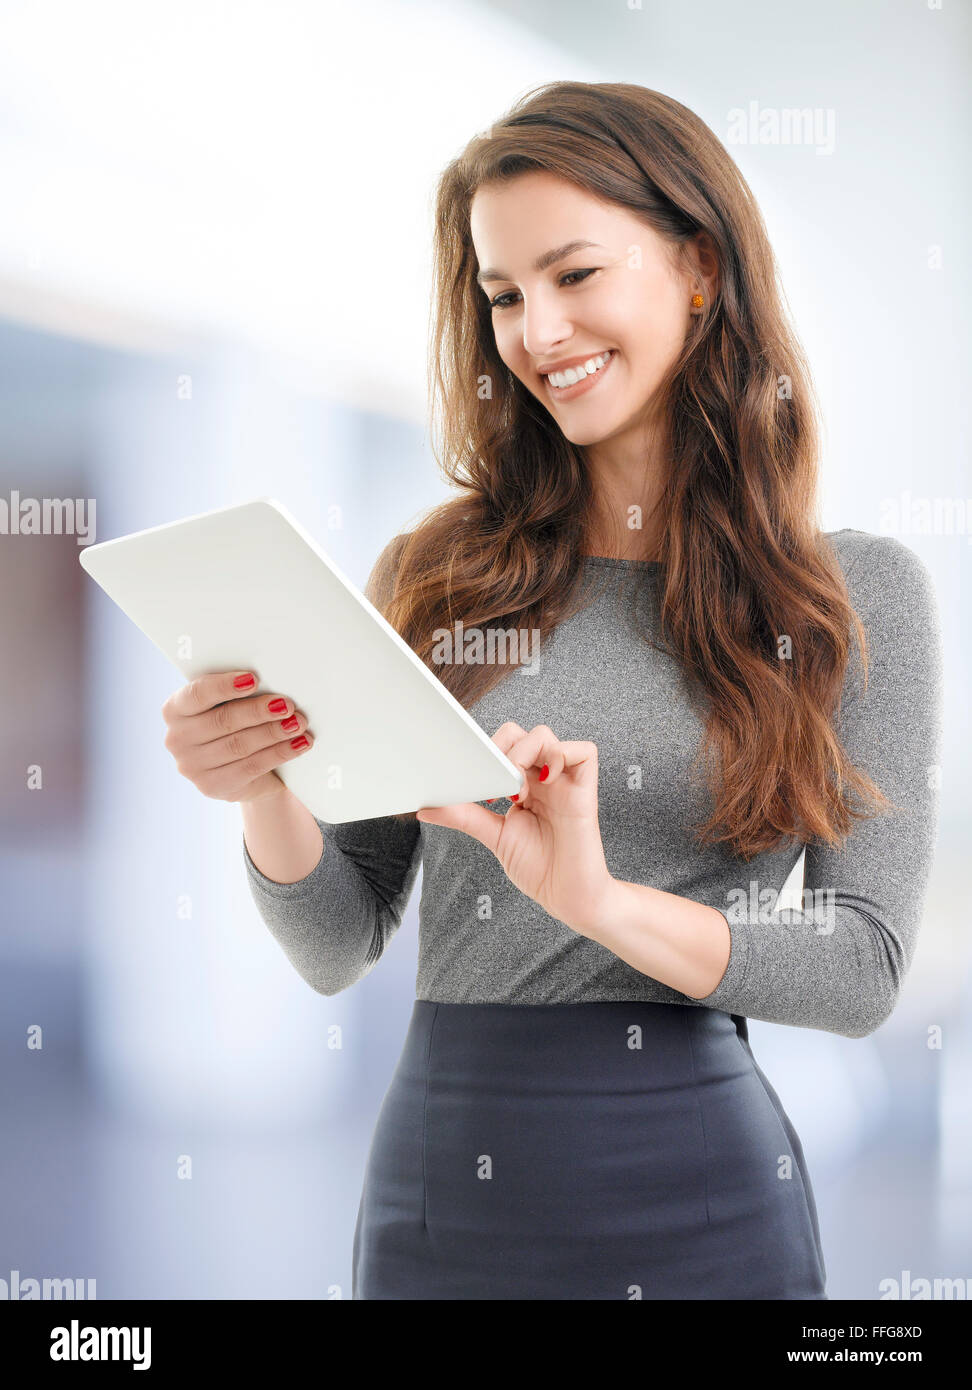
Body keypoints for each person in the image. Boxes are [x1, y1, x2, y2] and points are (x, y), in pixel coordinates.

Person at [160, 81, 943, 1300]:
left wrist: (598, 900)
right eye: (505, 295)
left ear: (697, 263)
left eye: (574, 274)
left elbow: (861, 968)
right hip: (444, 1200)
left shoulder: (847, 598)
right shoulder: (446, 576)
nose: (539, 331)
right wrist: (264, 787)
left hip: (705, 1203)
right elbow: (338, 939)